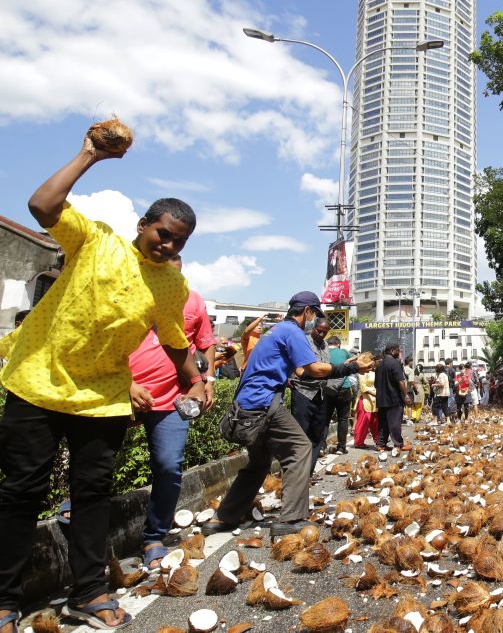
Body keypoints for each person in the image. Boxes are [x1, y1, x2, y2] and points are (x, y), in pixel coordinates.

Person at [0, 133, 205, 632]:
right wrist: (91, 155)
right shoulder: (96, 240)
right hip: (37, 379)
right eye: (163, 233)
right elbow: (41, 205)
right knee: (23, 491)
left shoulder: (171, 284)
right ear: (142, 225)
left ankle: (88, 591)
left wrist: (195, 381)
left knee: (93, 495)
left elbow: (177, 340)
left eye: (179, 241)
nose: (168, 244)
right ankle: (4, 597)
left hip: (103, 396)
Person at [204, 292, 371, 540]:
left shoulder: (277, 331)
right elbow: (315, 368)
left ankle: (223, 517)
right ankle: (291, 517)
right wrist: (352, 367)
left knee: (259, 463)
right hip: (263, 403)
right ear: (307, 311)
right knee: (301, 448)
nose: (313, 320)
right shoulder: (292, 332)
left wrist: (348, 364)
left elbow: (303, 371)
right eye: (314, 314)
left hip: (248, 403)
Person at [125, 253, 217, 570]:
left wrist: (208, 382)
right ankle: (76, 501)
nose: (170, 279)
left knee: (168, 466)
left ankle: (154, 538)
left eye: (176, 274)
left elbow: (205, 344)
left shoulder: (192, 301)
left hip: (173, 400)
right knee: (95, 455)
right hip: (121, 391)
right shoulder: (127, 293)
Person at [288, 317, 332, 470]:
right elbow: (290, 359)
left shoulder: (325, 345)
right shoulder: (303, 341)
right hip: (303, 392)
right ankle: (295, 472)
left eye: (325, 332)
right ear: (313, 328)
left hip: (320, 392)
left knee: (317, 435)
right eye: (319, 330)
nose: (321, 334)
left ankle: (309, 471)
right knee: (300, 434)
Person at [375, 344, 410, 451]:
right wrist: (406, 395)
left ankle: (381, 444)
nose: (399, 352)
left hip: (381, 399)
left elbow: (376, 383)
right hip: (394, 398)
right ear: (392, 351)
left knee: (383, 423)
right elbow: (401, 381)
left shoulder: (379, 365)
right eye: (398, 351)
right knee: (395, 422)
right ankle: (399, 444)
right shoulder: (395, 363)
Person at [322, 336, 353, 454]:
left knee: (325, 418)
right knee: (343, 418)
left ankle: (321, 447)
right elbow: (354, 362)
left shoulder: (324, 353)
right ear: (338, 344)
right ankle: (341, 447)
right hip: (344, 388)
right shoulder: (344, 352)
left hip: (328, 388)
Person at [353, 365, 379, 449]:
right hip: (365, 399)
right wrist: (376, 394)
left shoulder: (374, 371)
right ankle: (359, 442)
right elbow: (363, 388)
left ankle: (378, 440)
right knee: (363, 421)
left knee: (375, 421)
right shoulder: (362, 373)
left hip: (375, 399)